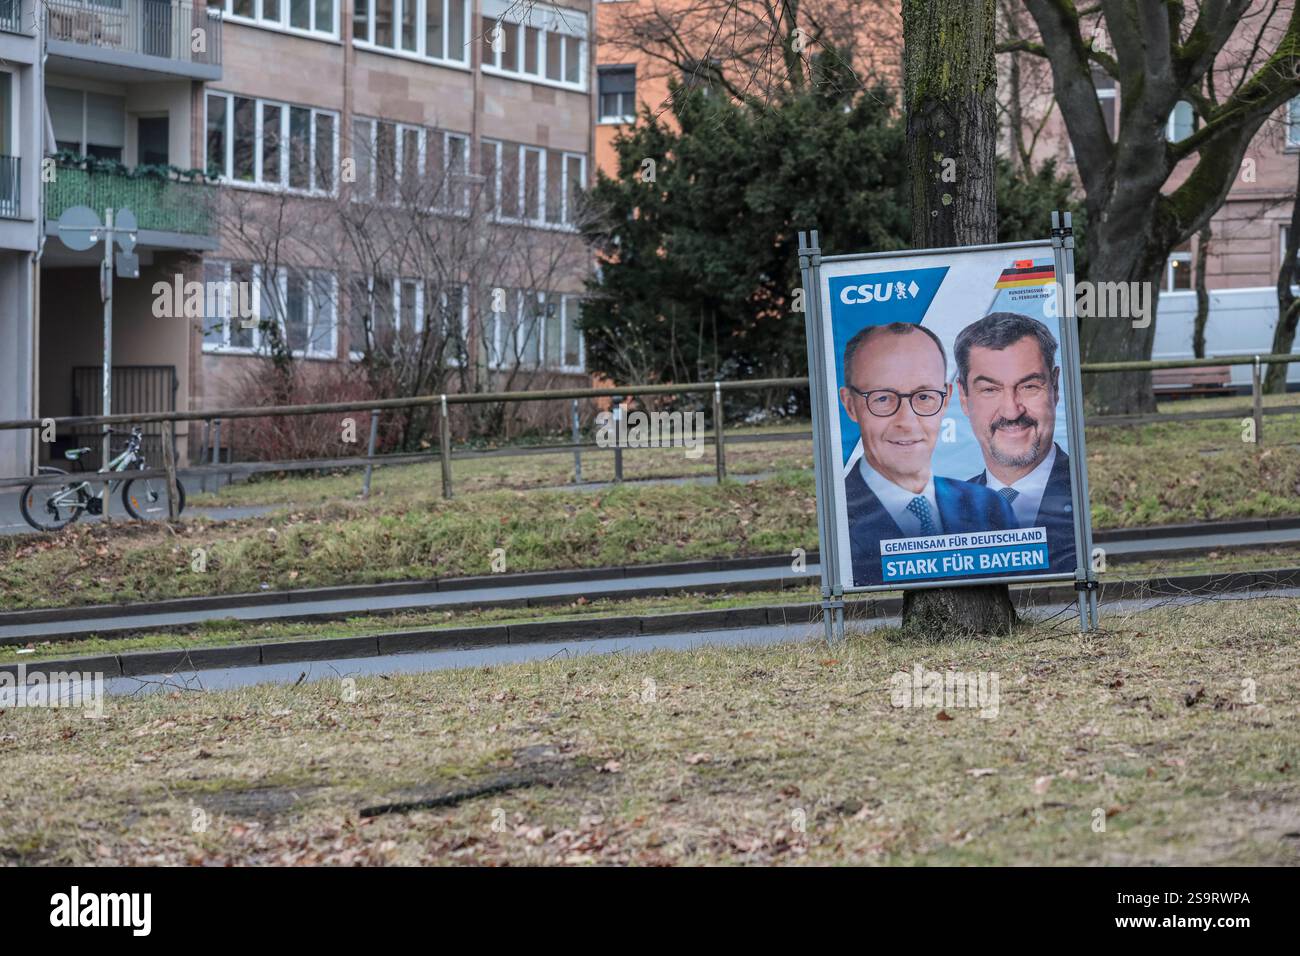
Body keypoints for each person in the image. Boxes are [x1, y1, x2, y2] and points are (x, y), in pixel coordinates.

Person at [839, 322, 1017, 587]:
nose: (906, 421)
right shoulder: (840, 515)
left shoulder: (990, 507)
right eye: (882, 398)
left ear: (945, 399)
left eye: (924, 397)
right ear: (850, 405)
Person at [954, 312, 1075, 573]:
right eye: (990, 390)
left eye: (1029, 386)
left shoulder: (1085, 491)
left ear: (1054, 387)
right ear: (964, 398)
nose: (1011, 411)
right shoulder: (944, 511)